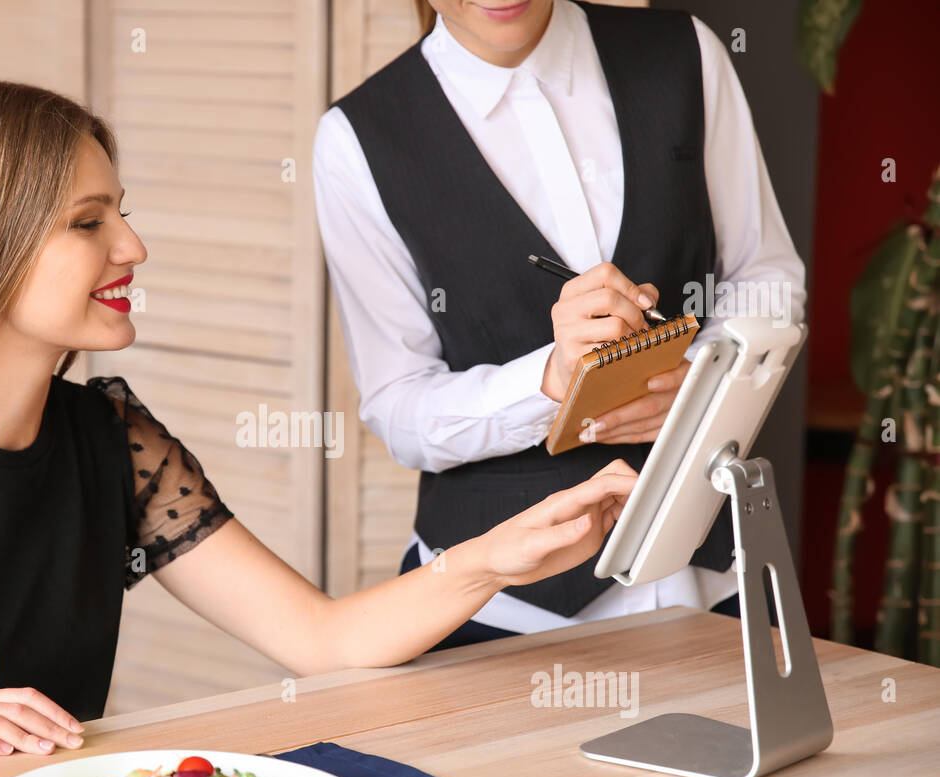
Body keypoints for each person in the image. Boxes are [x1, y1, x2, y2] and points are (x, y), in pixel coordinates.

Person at [0, 81, 636, 777]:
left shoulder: (110, 436)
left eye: (120, 212)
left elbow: (323, 637)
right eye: (89, 221)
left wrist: (496, 557)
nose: (132, 246)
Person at [312, 0, 804, 648]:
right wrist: (548, 382)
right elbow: (398, 406)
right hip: (497, 620)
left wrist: (707, 385)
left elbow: (765, 273)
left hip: (712, 582)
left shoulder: (685, 52)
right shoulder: (357, 139)